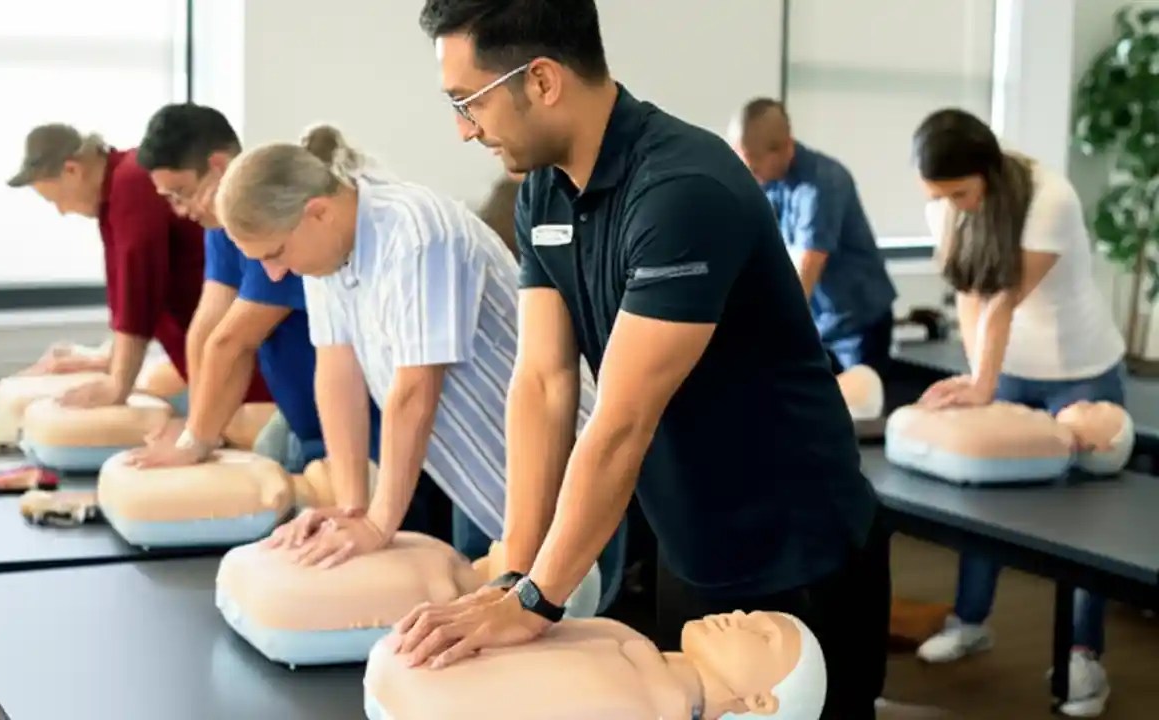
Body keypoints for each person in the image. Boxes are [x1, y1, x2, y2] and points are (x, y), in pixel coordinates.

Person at [392, 2, 889, 718]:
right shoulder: (543, 191)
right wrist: (517, 572)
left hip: (796, 542)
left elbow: (622, 419)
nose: (464, 128)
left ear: (541, 81)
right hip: (691, 536)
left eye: (468, 102)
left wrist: (538, 599)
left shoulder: (682, 191)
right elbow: (543, 383)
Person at [214, 125, 625, 612]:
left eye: (275, 255)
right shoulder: (325, 255)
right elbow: (336, 370)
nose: (275, 274)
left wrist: (378, 523)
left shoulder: (415, 234)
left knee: (574, 642)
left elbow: (415, 389)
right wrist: (354, 507)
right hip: (476, 481)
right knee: (481, 639)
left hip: (563, 473)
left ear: (316, 213)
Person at [910, 108, 1125, 718]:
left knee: (1088, 525)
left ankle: (1085, 657)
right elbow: (970, 296)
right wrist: (984, 381)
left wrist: (983, 384)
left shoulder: (1048, 197)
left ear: (985, 170)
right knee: (988, 502)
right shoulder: (948, 204)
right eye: (938, 196)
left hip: (1080, 370)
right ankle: (971, 620)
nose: (950, 205)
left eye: (958, 192)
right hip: (1009, 368)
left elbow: (1004, 298)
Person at [119, 102, 348, 472]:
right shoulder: (219, 230)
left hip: (345, 421)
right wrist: (196, 426)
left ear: (218, 167)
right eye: (170, 200)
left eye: (182, 193)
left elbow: (235, 341)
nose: (180, 211)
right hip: (299, 421)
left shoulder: (273, 220)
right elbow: (206, 328)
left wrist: (195, 440)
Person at [6, 123, 205, 410]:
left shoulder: (131, 183)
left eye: (56, 200)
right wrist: (108, 359)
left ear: (72, 170)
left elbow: (139, 289)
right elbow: (127, 295)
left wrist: (118, 385)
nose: (62, 211)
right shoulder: (115, 194)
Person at [728, 99, 898, 376]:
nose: (750, 174)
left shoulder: (823, 183)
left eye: (754, 166)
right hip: (818, 323)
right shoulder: (768, 183)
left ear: (785, 147)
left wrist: (764, 336)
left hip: (856, 326)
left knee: (857, 408)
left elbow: (806, 268)